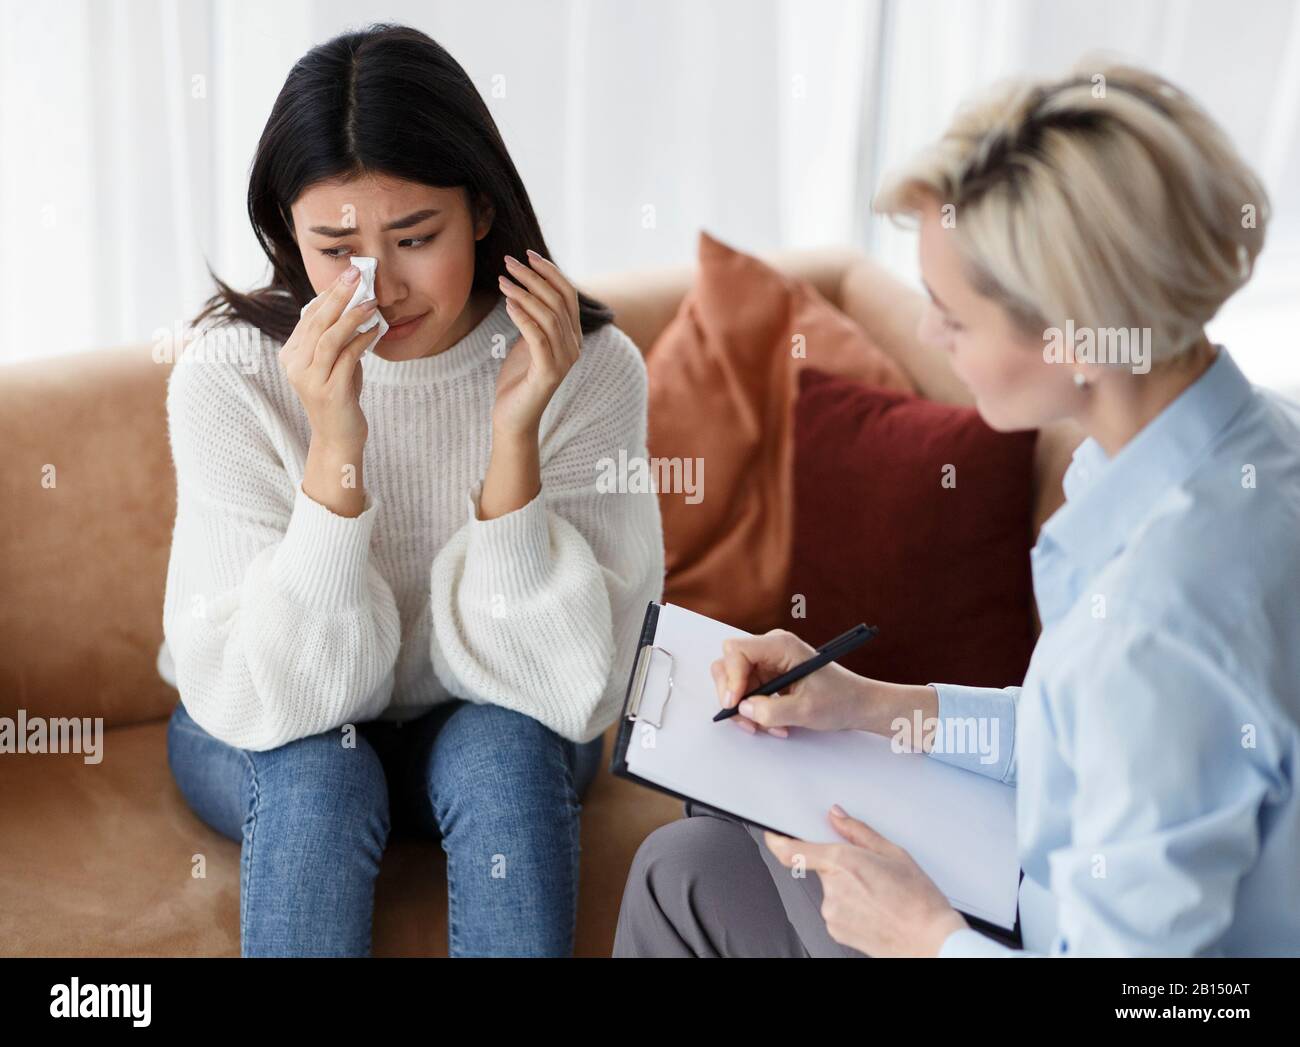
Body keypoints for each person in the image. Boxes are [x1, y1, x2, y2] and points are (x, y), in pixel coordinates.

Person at [614, 59, 1300, 958]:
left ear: (1075, 333)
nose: (932, 336)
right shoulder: (1253, 444)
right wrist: (864, 704)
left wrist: (925, 936)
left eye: (954, 316)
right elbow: (1083, 733)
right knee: (689, 868)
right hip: (1038, 897)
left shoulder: (1155, 622)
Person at [159, 24, 664, 957]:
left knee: (507, 752)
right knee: (322, 776)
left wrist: (513, 444)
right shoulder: (228, 375)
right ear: (286, 231)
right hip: (266, 715)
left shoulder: (590, 371)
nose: (377, 285)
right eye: (334, 245)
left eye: (415, 236)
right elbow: (253, 690)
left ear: (479, 209)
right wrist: (335, 449)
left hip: (493, 719)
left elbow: (576, 686)